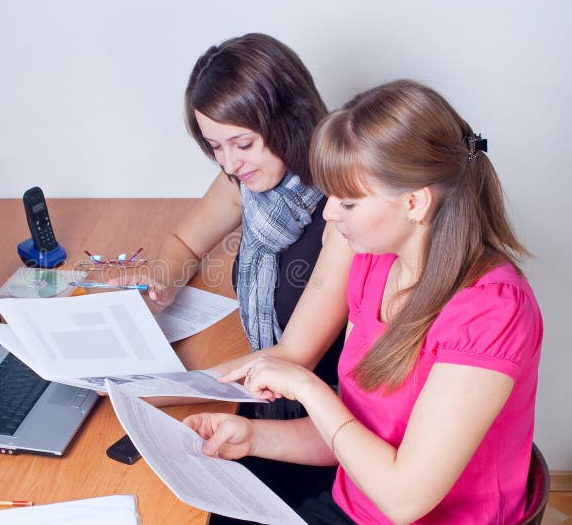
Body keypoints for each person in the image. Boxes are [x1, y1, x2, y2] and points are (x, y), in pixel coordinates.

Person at [184, 79, 543, 524]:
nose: (329, 213)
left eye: (348, 203)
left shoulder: (492, 313)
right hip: (354, 507)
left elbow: (403, 498)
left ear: (414, 203)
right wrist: (252, 436)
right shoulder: (374, 265)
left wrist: (307, 387)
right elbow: (354, 435)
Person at [114, 33, 354, 512]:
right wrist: (162, 280)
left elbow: (292, 357)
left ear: (289, 121)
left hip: (326, 425)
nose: (228, 162)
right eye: (215, 146)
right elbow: (183, 242)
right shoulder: (245, 177)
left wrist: (152, 392)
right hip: (265, 396)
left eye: (242, 143)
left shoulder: (345, 206)